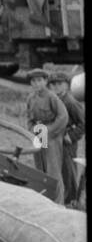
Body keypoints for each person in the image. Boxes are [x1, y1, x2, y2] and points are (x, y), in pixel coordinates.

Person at [25, 68, 68, 204]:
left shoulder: (52, 97)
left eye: (39, 80)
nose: (36, 84)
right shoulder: (31, 98)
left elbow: (63, 116)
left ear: (45, 81)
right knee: (40, 167)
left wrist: (49, 131)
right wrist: (32, 130)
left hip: (51, 136)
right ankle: (44, 200)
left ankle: (58, 203)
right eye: (33, 81)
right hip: (38, 134)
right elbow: (29, 118)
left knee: (53, 170)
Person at [49, 72, 82, 205]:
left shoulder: (71, 102)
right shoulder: (52, 99)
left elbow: (83, 122)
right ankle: (58, 197)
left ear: (67, 86)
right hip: (53, 139)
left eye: (59, 84)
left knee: (68, 171)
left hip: (67, 141)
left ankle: (71, 200)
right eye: (53, 84)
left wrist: (71, 136)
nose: (56, 87)